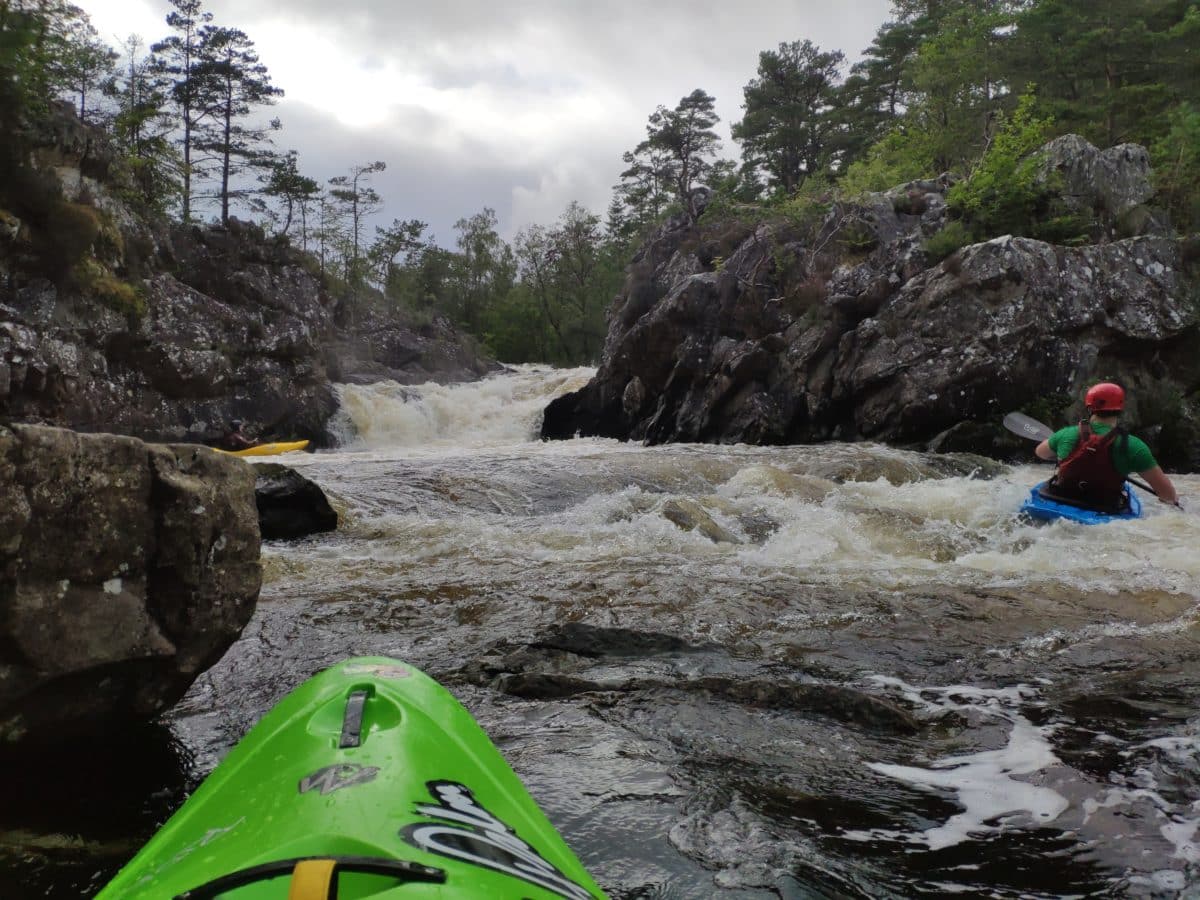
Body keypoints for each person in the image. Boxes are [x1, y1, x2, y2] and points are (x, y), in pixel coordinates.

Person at [1034, 382, 1179, 508]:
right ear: (1120, 409)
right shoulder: (1134, 446)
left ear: (1089, 407)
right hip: (1104, 508)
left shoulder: (1066, 434)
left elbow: (1040, 452)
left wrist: (1060, 453)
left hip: (1061, 499)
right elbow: (1168, 496)